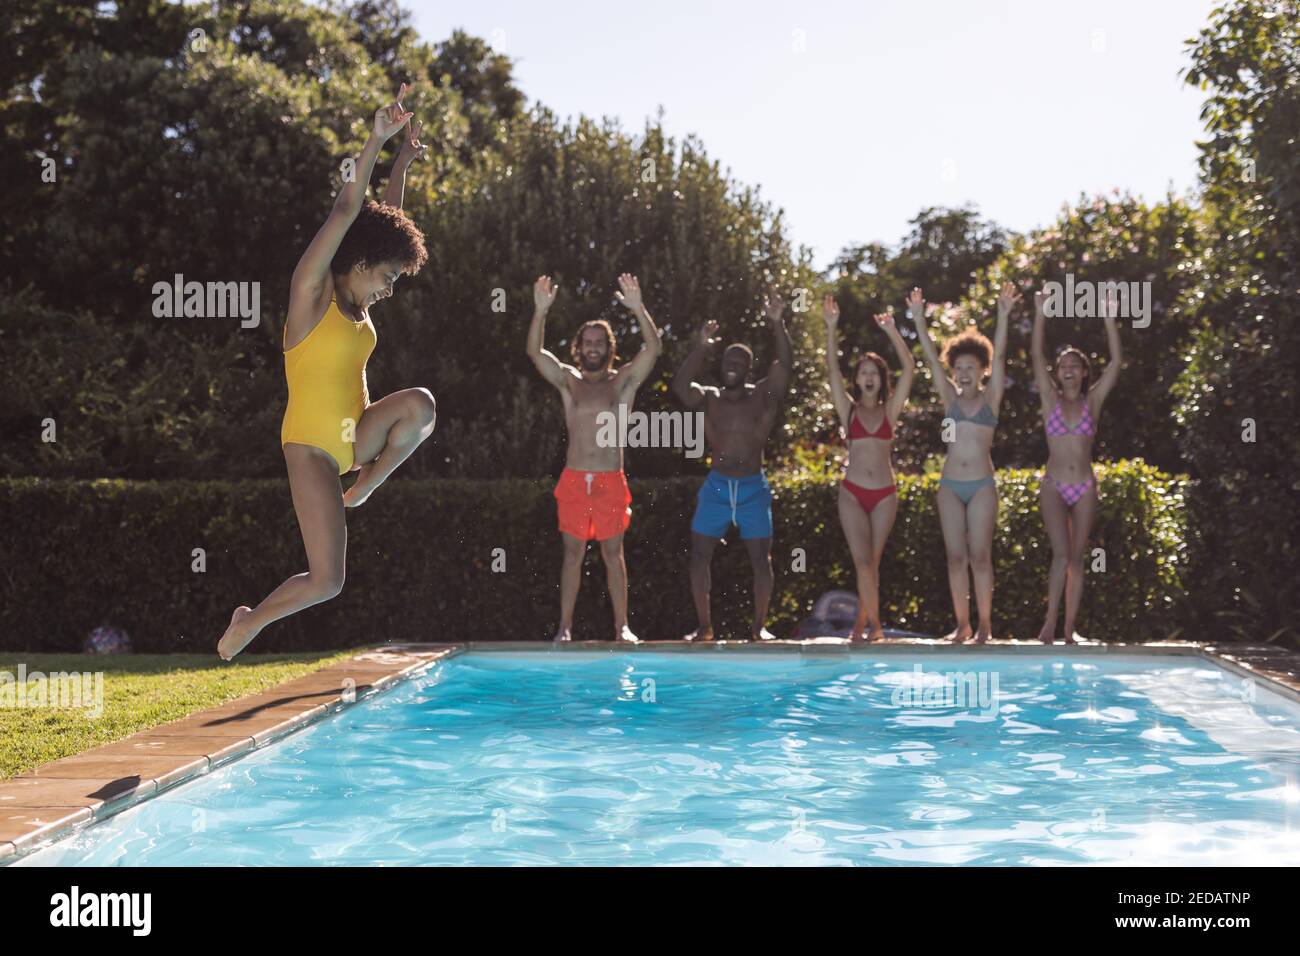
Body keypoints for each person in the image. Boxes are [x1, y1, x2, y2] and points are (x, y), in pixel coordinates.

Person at [218, 85, 436, 660]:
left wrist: (403, 164)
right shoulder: (309, 295)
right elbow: (349, 211)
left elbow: (387, 221)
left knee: (422, 406)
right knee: (326, 581)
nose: (390, 289)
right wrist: (375, 141)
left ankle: (363, 488)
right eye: (388, 277)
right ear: (359, 264)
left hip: (356, 437)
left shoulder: (360, 304)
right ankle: (251, 620)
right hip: (312, 449)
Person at [527, 273, 661, 642]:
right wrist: (540, 312)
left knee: (613, 553)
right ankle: (565, 628)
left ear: (609, 348)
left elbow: (653, 351)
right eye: (587, 342)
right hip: (574, 479)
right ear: (578, 347)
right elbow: (536, 355)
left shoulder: (622, 383)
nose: (592, 347)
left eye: (599, 342)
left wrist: (638, 309)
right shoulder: (570, 382)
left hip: (609, 480)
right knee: (572, 555)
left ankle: (622, 627)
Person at [672, 292, 793, 641]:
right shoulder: (710, 397)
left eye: (740, 362)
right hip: (717, 487)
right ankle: (705, 627)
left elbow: (785, 365)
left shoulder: (763, 395)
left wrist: (777, 323)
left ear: (749, 370)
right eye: (728, 360)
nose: (732, 366)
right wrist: (701, 346)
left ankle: (759, 627)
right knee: (699, 555)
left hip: (753, 487)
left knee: (761, 559)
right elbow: (681, 387)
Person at [910, 283, 1015, 643]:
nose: (964, 373)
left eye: (971, 367)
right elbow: (927, 355)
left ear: (983, 370)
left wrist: (1003, 314)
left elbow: (1000, 357)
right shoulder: (949, 399)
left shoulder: (991, 400)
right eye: (958, 368)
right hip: (951, 487)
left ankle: (985, 626)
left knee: (980, 557)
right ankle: (962, 625)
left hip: (982, 485)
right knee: (955, 559)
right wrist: (918, 320)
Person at [1032, 289, 1122, 643]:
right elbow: (1036, 358)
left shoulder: (1093, 401)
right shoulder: (1048, 398)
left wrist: (1108, 318)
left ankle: (1070, 629)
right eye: (1063, 365)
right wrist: (1040, 313)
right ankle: (1050, 623)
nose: (1067, 370)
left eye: (1075, 365)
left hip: (1084, 485)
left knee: (1077, 558)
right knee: (1060, 555)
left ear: (1085, 372)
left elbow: (1115, 364)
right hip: (1054, 483)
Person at [823, 295, 914, 641]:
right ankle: (875, 628)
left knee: (872, 565)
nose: (869, 377)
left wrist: (892, 331)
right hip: (853, 493)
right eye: (863, 373)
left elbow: (911, 369)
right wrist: (831, 328)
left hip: (884, 495)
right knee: (862, 564)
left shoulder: (890, 411)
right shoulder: (848, 411)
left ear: (881, 378)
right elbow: (831, 370)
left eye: (874, 372)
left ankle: (862, 626)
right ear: (857, 380)